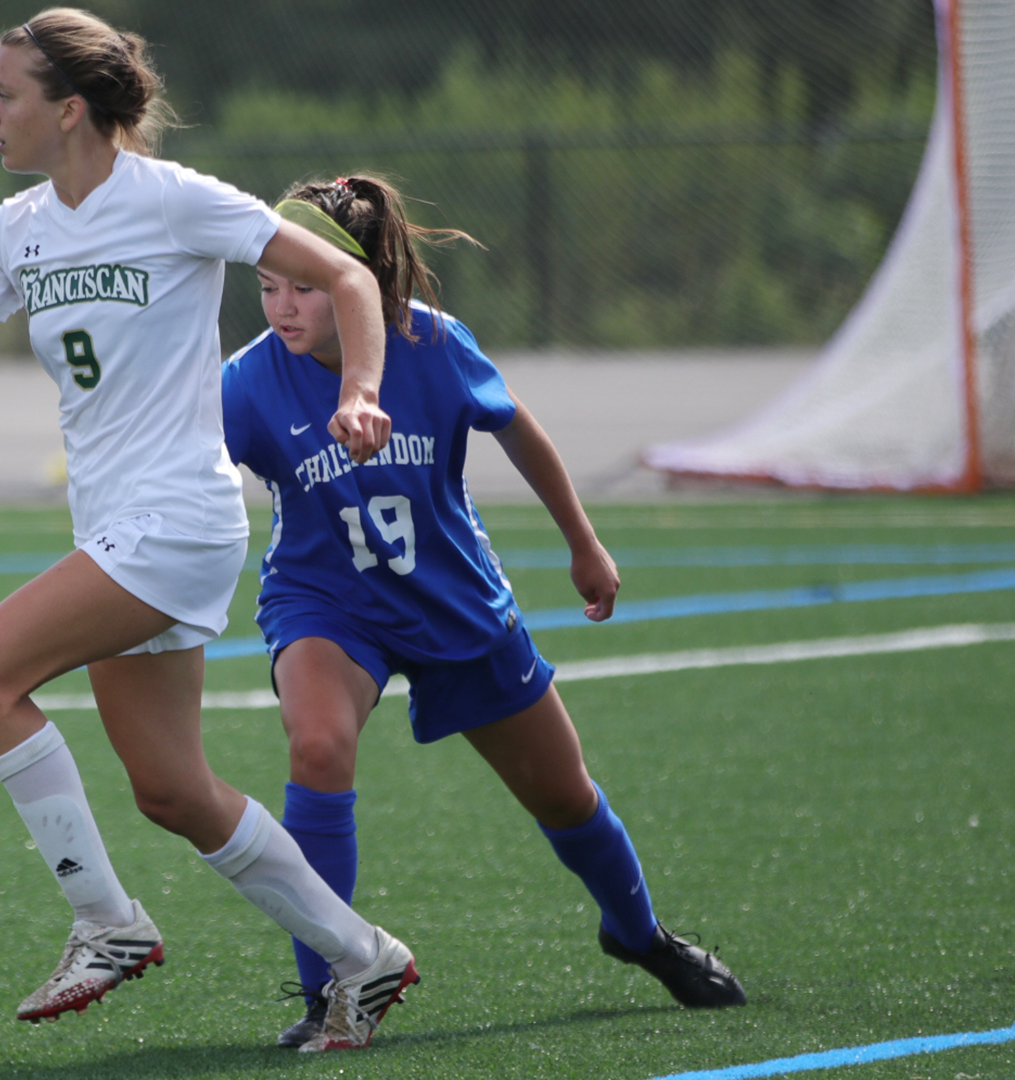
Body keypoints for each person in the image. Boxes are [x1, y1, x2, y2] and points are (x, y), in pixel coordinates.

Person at [0, 9, 411, 1053]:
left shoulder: (175, 200)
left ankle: (106, 922)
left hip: (178, 522)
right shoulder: (16, 228)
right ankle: (362, 956)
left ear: (69, 109)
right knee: (171, 790)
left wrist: (364, 390)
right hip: (118, 527)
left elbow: (347, 277)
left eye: (4, 93)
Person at [220, 174, 749, 1049]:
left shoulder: (432, 344)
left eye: (304, 283)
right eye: (268, 282)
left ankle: (639, 933)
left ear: (363, 278)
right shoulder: (247, 383)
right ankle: (331, 988)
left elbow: (521, 432)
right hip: (326, 600)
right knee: (317, 746)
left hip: (454, 598)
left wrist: (584, 543)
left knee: (565, 795)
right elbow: (193, 479)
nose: (281, 303)